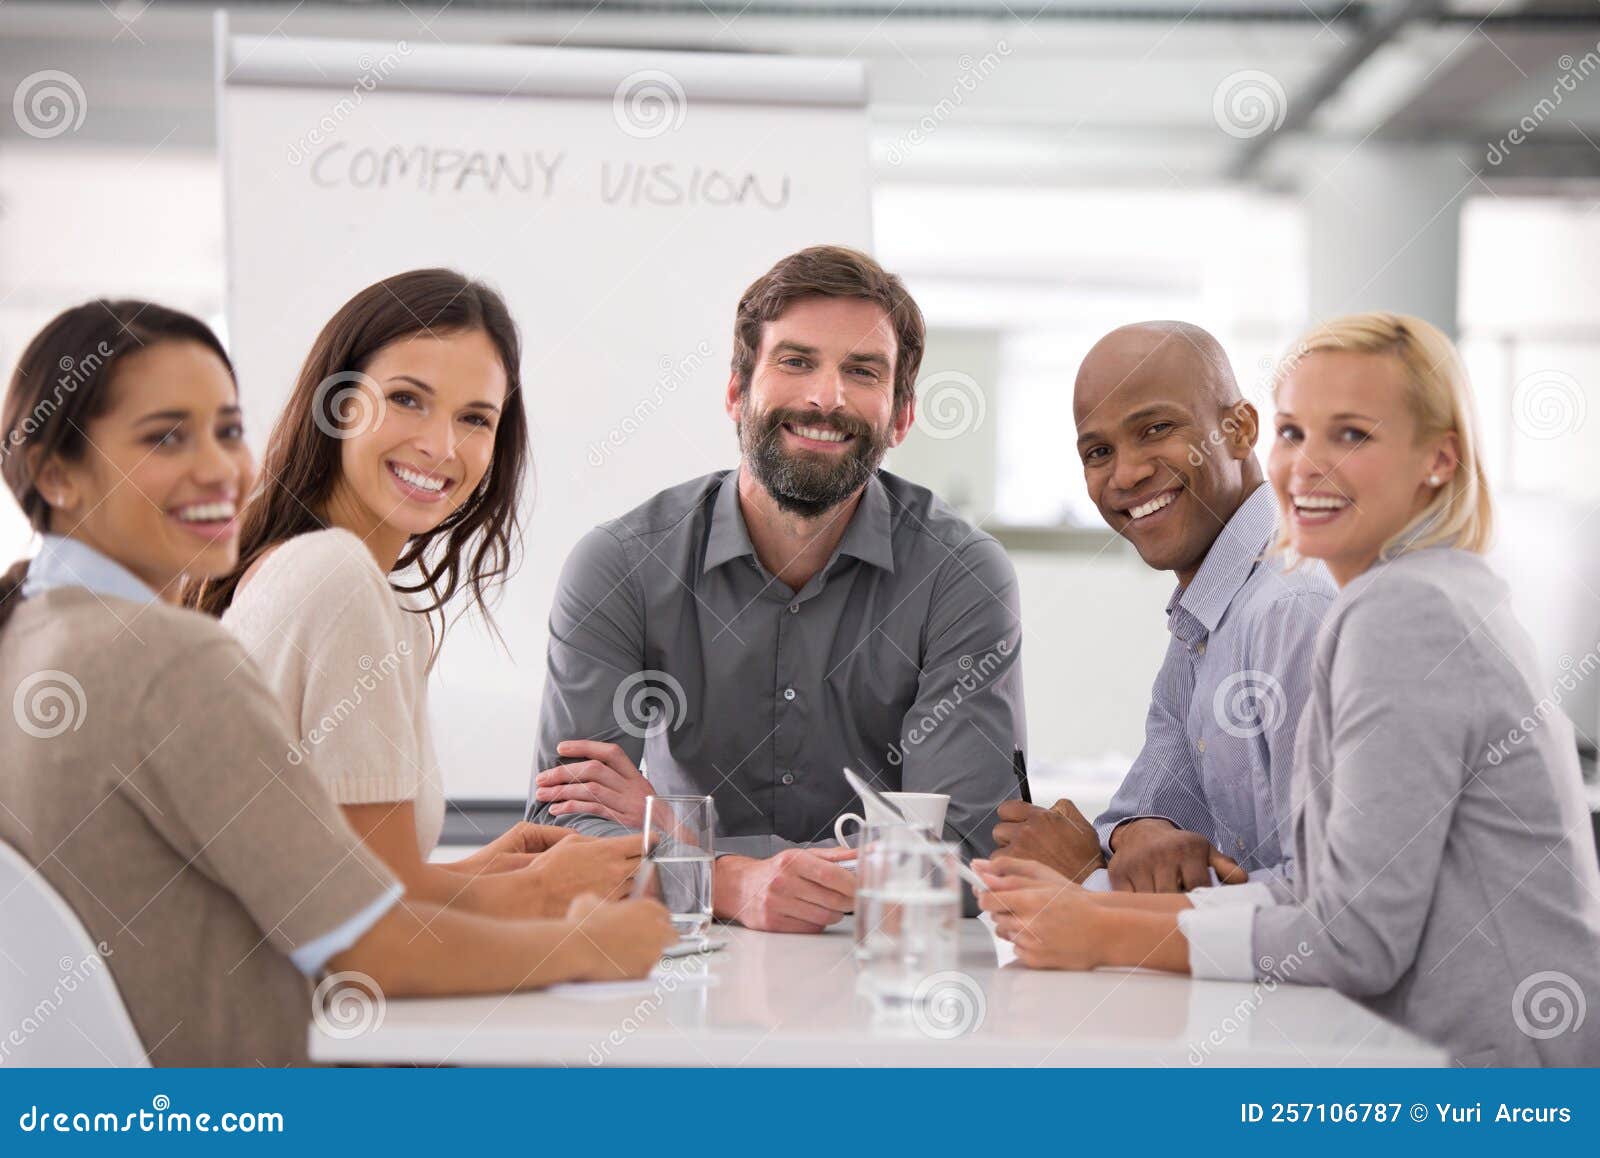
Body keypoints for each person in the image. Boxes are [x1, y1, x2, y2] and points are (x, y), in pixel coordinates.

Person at [0, 301, 674, 1066]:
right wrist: (589, 944)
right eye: (165, 437)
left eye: (227, 431)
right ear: (55, 473)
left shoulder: (33, 630)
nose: (219, 468)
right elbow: (370, 955)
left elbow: (306, 895)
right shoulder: (168, 657)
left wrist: (483, 880)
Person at [977, 312, 1600, 1066]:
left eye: (1353, 436)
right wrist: (1106, 883)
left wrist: (1099, 913)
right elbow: (1323, 900)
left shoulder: (1390, 611)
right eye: (1296, 434)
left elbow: (1353, 935)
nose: (1308, 468)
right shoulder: (1399, 596)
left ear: (1438, 459)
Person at [527, 245, 1026, 933]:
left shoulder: (960, 575)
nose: (827, 396)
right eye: (796, 362)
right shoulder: (620, 565)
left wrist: (686, 847)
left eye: (862, 371)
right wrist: (730, 883)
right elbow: (562, 825)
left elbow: (966, 848)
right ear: (737, 391)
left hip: (881, 974)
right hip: (677, 973)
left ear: (901, 416)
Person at [189, 270, 643, 917]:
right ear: (340, 401)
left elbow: (358, 878)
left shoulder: (313, 572)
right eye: (407, 399)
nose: (440, 445)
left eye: (475, 418)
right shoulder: (336, 577)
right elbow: (375, 912)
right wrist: (548, 890)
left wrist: (488, 866)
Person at [993, 322, 1332, 893]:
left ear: (1240, 429)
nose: (1126, 474)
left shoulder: (1292, 607)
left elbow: (1329, 904)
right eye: (1099, 452)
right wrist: (1135, 833)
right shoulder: (1202, 617)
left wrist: (1087, 877)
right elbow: (1142, 814)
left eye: (1156, 428)